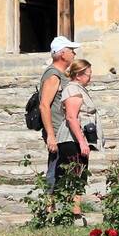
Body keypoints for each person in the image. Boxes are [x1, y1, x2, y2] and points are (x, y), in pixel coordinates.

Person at [53, 58, 99, 225]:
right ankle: (71, 212)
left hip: (75, 139)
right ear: (78, 75)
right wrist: (82, 142)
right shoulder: (73, 90)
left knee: (78, 173)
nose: (90, 77)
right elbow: (72, 118)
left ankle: (73, 210)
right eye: (88, 74)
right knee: (74, 173)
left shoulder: (77, 89)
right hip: (71, 139)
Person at [40, 36, 80, 193]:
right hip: (57, 131)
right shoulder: (53, 75)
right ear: (63, 54)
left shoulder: (60, 74)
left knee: (64, 169)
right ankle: (49, 204)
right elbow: (44, 105)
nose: (74, 54)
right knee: (55, 169)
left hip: (62, 130)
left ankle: (59, 202)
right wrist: (51, 135)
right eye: (71, 50)